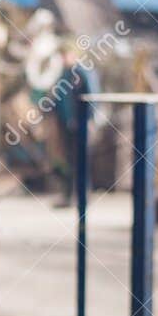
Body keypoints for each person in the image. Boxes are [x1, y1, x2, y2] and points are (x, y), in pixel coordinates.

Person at [46, 41, 96, 204]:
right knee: (68, 160)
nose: (63, 59)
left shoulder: (83, 73)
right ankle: (68, 195)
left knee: (81, 160)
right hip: (66, 124)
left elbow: (92, 96)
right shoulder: (65, 74)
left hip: (81, 125)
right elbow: (59, 98)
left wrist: (89, 119)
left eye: (65, 55)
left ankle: (82, 195)